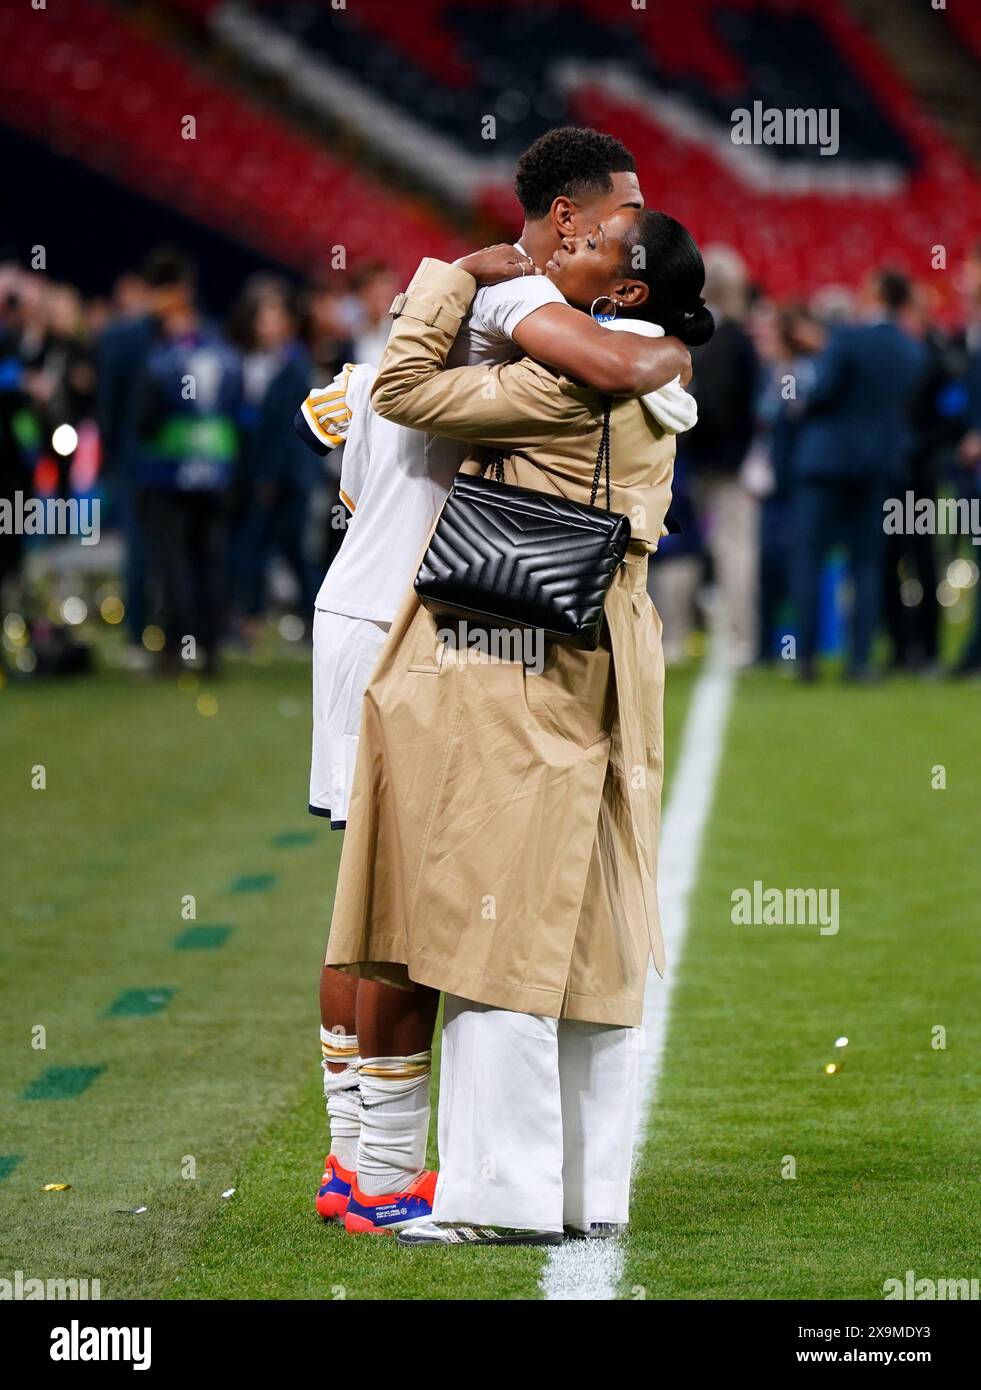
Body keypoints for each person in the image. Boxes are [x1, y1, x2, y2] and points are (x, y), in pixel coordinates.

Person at [295, 127, 694, 1237]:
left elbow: (351, 418)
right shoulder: (522, 313)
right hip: (418, 621)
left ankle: (369, 1162)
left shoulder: (460, 314)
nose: (637, 223)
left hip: (437, 611)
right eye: (627, 209)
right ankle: (372, 1165)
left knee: (395, 907)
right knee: (394, 913)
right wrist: (667, 353)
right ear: (574, 227)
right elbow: (610, 370)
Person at [793, 270, 927, 681]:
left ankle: (807, 659)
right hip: (879, 464)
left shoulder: (848, 337)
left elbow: (822, 393)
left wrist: (802, 403)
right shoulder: (911, 350)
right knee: (867, 563)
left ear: (877, 294)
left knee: (810, 557)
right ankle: (861, 661)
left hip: (828, 461)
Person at [135, 249, 242, 675]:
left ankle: (180, 648)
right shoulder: (225, 356)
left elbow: (145, 420)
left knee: (173, 563)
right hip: (215, 473)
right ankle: (211, 649)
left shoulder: (162, 361)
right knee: (209, 562)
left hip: (168, 474)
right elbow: (238, 412)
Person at [229, 276, 317, 636]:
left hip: (285, 478)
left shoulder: (294, 365)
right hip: (261, 473)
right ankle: (251, 619)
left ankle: (310, 618)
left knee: (285, 552)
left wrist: (269, 477)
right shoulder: (253, 361)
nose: (264, 324)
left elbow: (288, 429)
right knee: (263, 550)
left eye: (271, 316)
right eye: (260, 317)